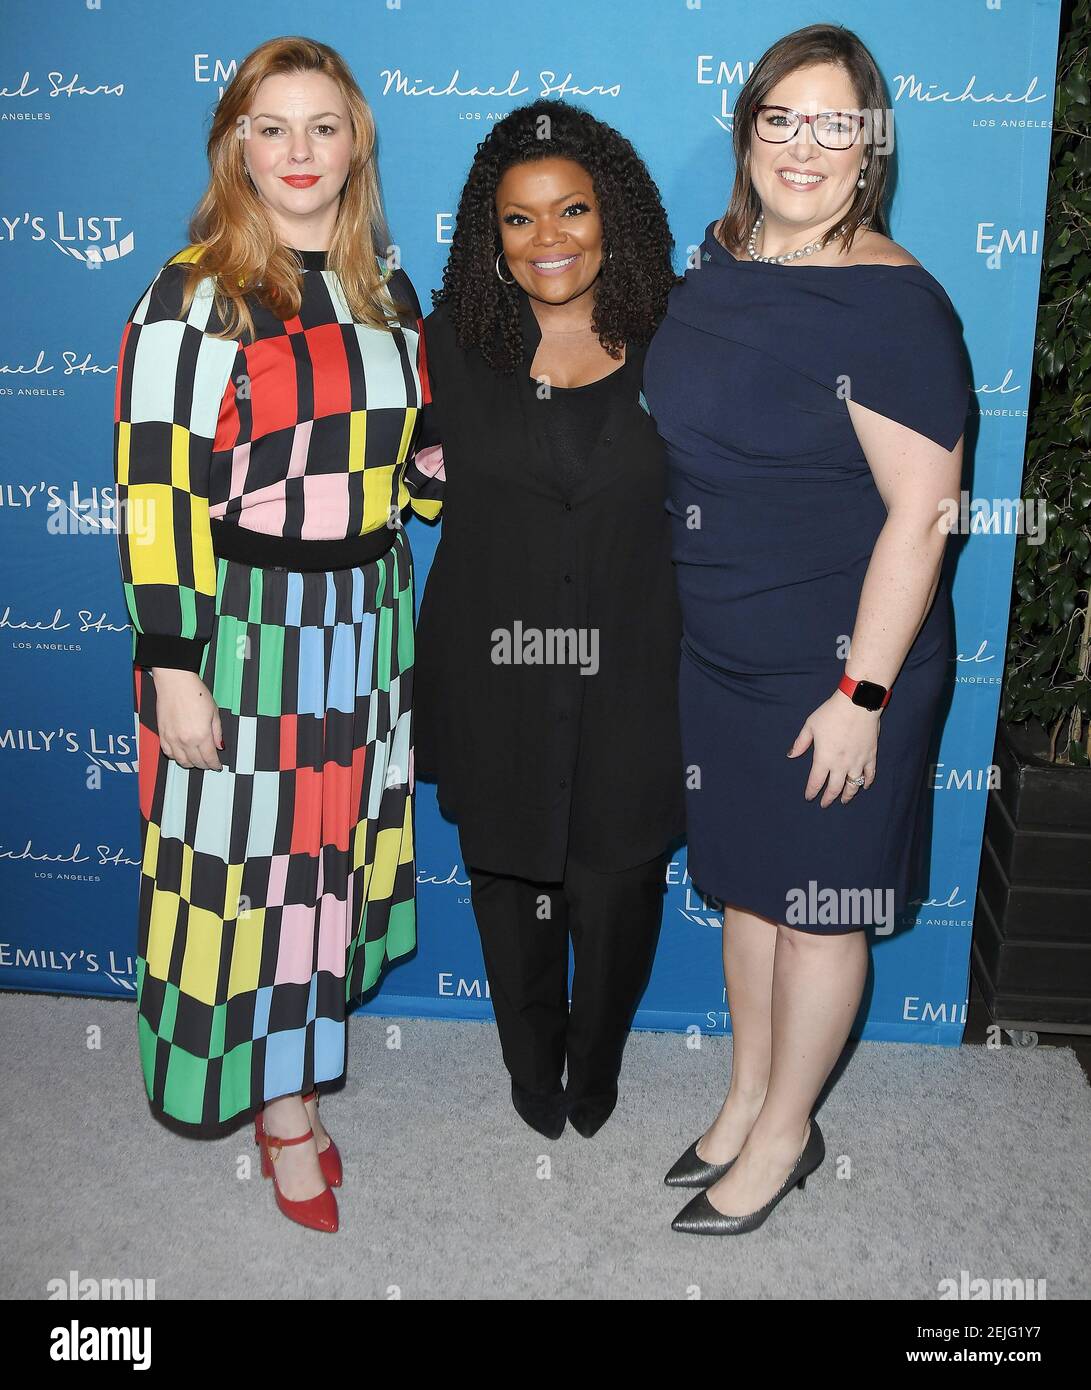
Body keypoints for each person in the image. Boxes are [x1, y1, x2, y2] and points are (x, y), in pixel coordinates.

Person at [111, 36, 442, 1233]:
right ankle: (282, 1112)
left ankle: (290, 1081)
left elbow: (419, 478)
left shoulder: (387, 291)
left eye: (324, 127)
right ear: (234, 148)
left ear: (357, 142)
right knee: (241, 877)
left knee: (325, 869)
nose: (300, 153)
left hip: (365, 620)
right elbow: (156, 494)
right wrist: (171, 662)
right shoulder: (194, 293)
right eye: (272, 128)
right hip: (246, 627)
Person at [643, 23, 969, 1234]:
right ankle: (744, 1096)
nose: (803, 144)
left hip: (841, 667)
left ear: (870, 148)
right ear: (746, 133)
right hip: (720, 654)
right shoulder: (718, 262)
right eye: (781, 117)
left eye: (836, 123)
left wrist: (863, 696)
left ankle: (782, 1138)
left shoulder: (895, 308)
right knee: (745, 896)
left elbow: (922, 516)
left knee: (817, 909)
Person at [413, 101, 684, 1141]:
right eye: (518, 220)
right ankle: (530, 1066)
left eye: (570, 210)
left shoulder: (680, 337)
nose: (547, 239)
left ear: (610, 215)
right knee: (508, 880)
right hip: (495, 666)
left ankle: (595, 1061)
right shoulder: (446, 346)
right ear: (492, 237)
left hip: (636, 668)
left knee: (617, 886)